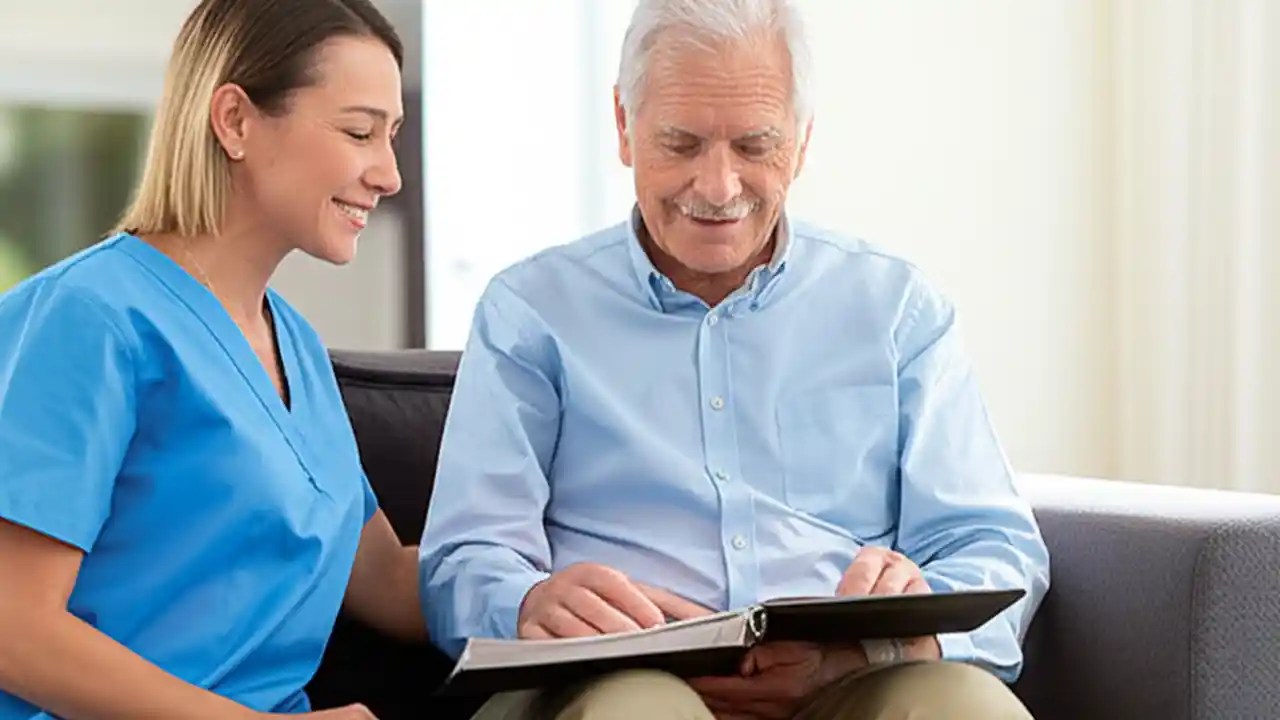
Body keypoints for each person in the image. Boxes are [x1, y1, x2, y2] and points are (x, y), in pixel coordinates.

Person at [419, 1, 1051, 718]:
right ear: (624, 126)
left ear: (802, 142)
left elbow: (997, 549)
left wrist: (903, 631)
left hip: (851, 680)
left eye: (754, 146)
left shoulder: (897, 310)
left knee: (961, 706)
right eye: (681, 144)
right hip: (611, 683)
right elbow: (459, 565)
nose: (718, 188)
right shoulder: (529, 312)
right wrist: (529, 600)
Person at [0, 1, 427, 717]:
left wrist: (546, 586)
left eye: (392, 137)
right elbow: (15, 628)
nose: (389, 174)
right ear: (233, 120)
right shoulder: (91, 318)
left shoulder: (295, 347)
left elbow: (385, 580)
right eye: (359, 132)